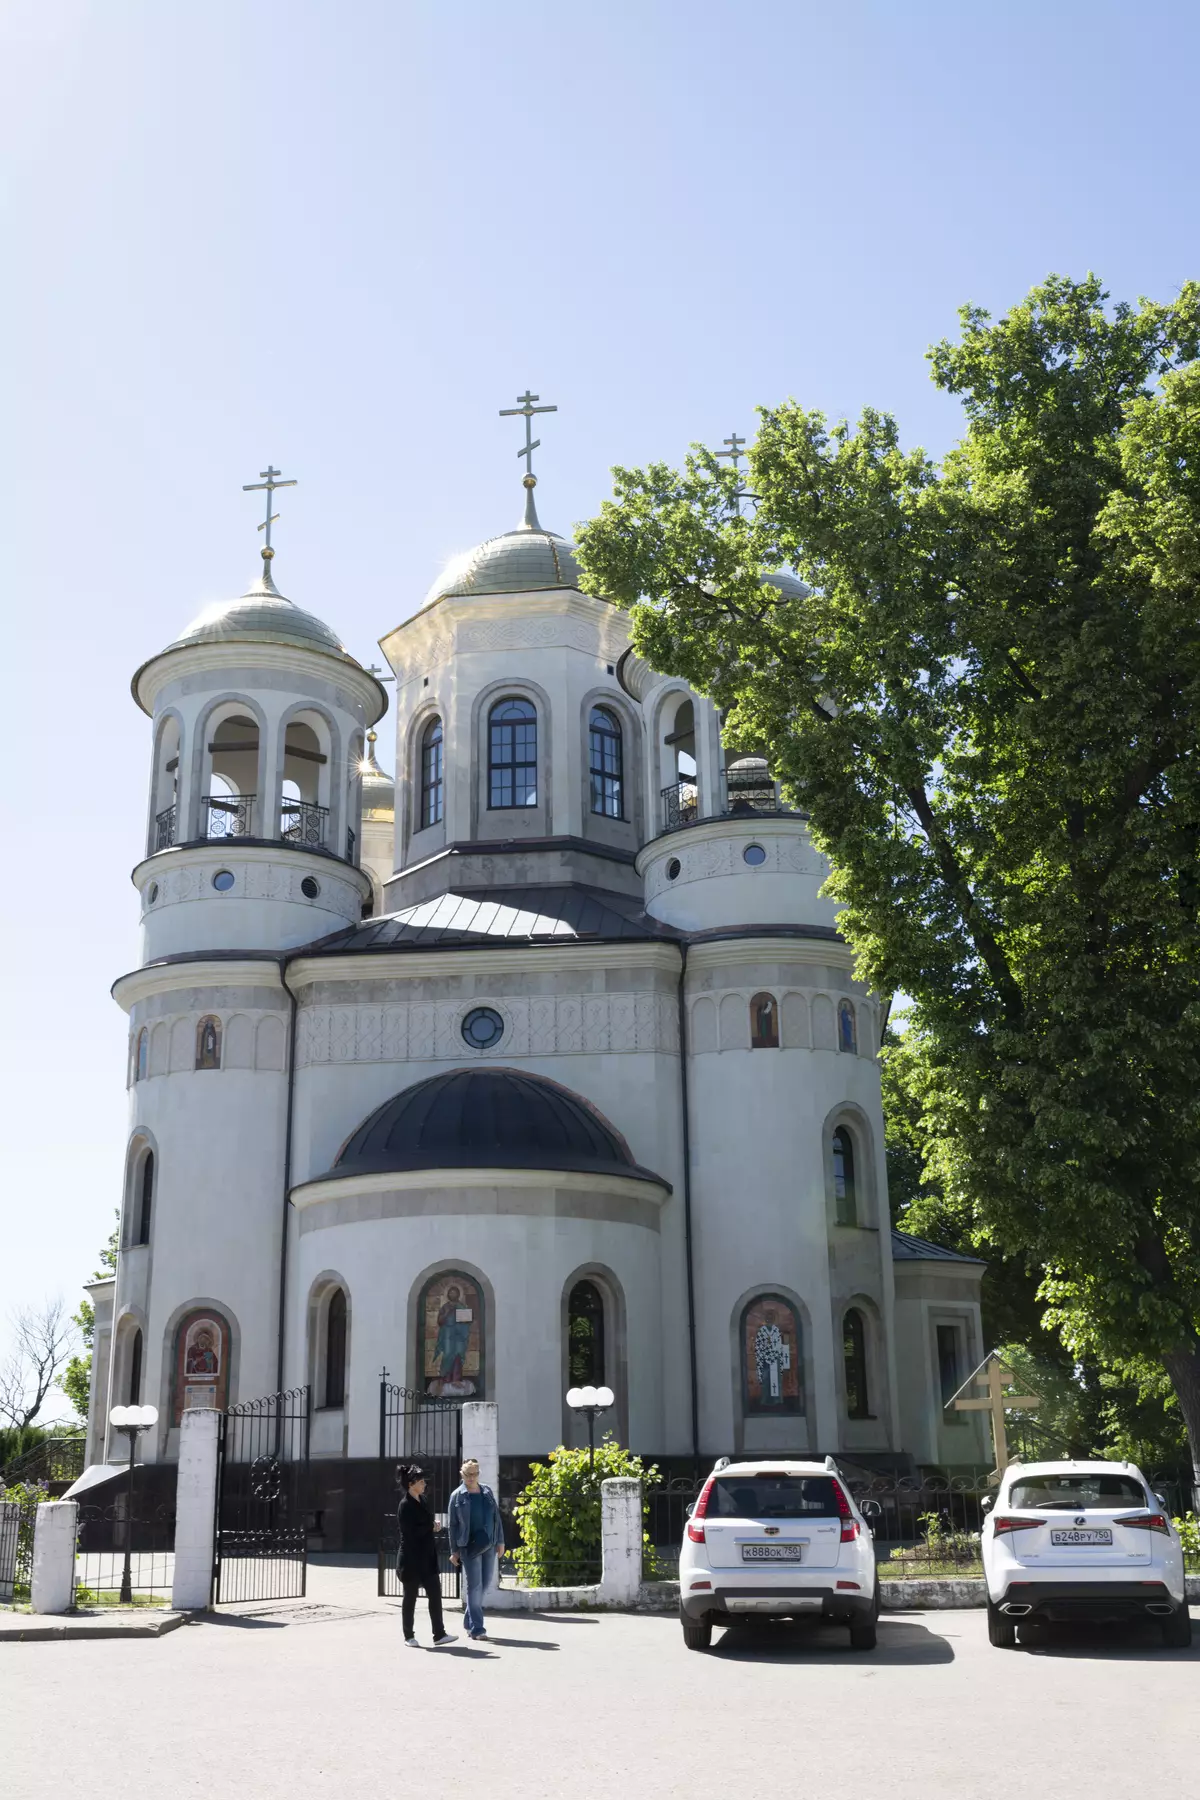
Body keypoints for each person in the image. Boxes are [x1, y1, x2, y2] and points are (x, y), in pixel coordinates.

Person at [396, 1463, 455, 1648]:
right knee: (410, 1597)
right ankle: (408, 1636)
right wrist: (429, 1527)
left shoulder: (424, 1500)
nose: (424, 1485)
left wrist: (435, 1524)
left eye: (424, 1481)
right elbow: (410, 1532)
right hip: (411, 1558)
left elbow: (427, 1523)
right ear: (411, 1484)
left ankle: (439, 1634)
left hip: (427, 1556)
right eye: (421, 1482)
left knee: (435, 1594)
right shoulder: (405, 1505)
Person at [447, 1457, 504, 1640]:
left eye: (474, 1474)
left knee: (485, 1583)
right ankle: (477, 1629)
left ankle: (468, 1621)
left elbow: (497, 1518)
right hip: (469, 1546)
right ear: (461, 1474)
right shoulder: (457, 1496)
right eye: (467, 1474)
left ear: (478, 1474)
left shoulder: (487, 1491)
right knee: (475, 1587)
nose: (471, 1478)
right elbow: (453, 1525)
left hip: (489, 1544)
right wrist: (454, 1550)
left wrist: (500, 1541)